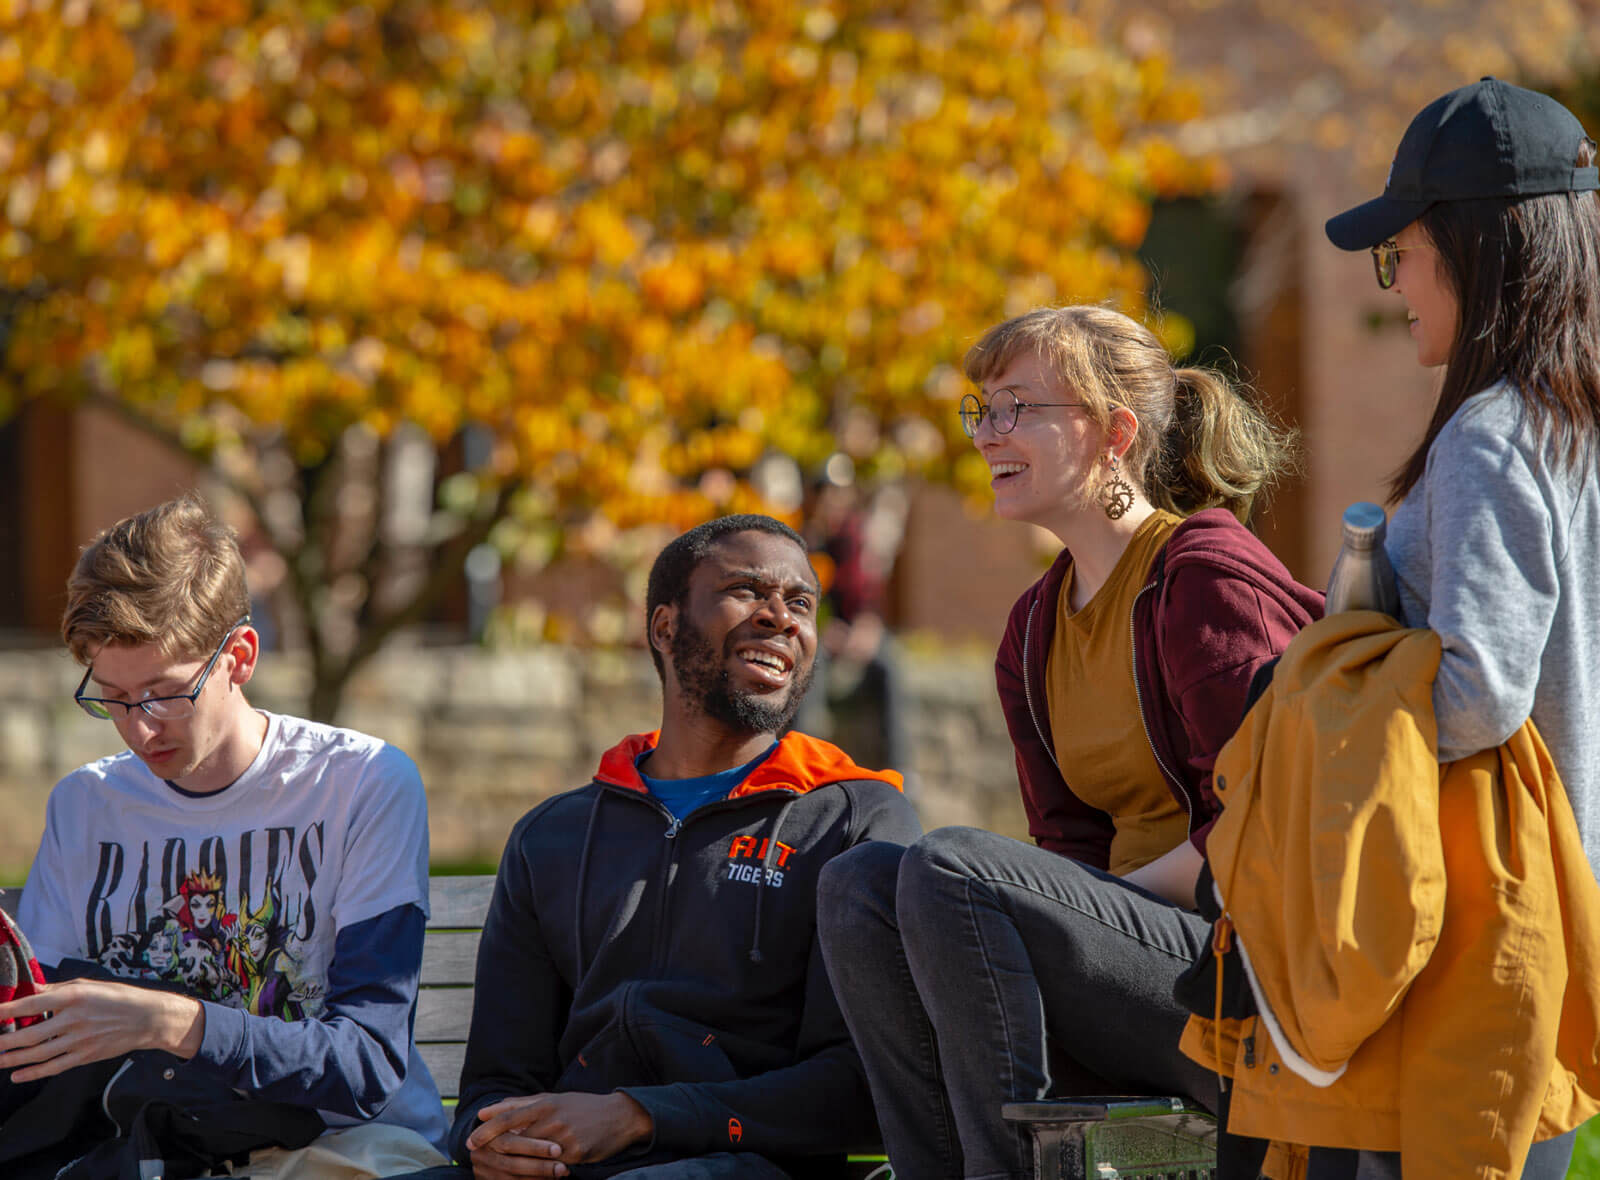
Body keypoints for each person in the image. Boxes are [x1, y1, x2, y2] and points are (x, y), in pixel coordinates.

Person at [816, 305, 1322, 1180]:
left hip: (1250, 983)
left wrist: (1089, 903)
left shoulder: (1202, 578)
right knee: (858, 885)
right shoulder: (1034, 628)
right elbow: (1067, 848)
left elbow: (1270, 831)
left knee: (952, 867)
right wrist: (1076, 905)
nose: (987, 435)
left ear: (1115, 432)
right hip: (1138, 975)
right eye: (983, 411)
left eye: (1018, 408)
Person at [396, 514, 921, 1180]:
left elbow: (861, 1089)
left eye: (800, 603)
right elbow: (496, 1083)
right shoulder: (552, 836)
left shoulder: (854, 820)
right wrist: (498, 1138)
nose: (780, 617)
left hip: (749, 1164)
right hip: (571, 1163)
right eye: (747, 591)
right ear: (665, 627)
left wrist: (641, 1115)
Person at [1314, 74, 1600, 1180]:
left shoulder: (1493, 435)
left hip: (1475, 932)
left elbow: (1478, 691)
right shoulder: (1574, 423)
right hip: (1561, 915)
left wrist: (1333, 709)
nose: (1396, 289)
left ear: (1476, 253)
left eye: (1403, 253)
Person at [0, 494, 448, 1172]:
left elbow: (367, 1063)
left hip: (348, 1150)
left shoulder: (362, 782)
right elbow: (42, 1049)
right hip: (161, 1152)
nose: (140, 728)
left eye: (164, 693)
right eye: (113, 700)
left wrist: (169, 1023)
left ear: (238, 656)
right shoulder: (86, 805)